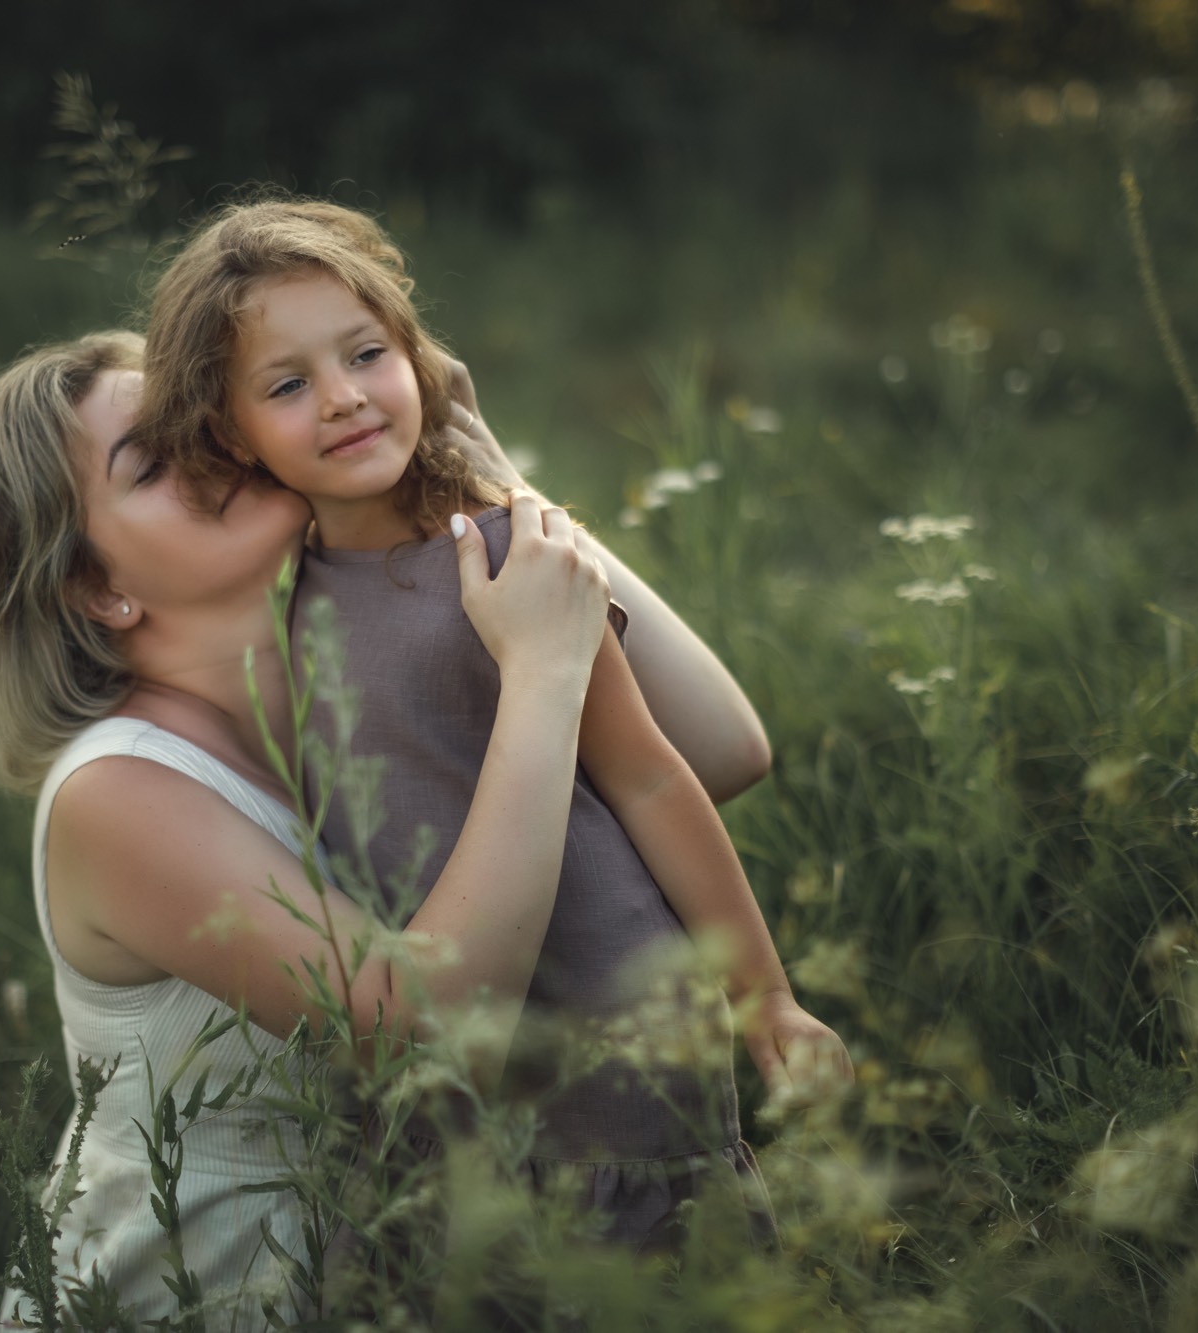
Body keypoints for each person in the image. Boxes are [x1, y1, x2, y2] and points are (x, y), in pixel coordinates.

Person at [0, 331, 780, 1327]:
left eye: (199, 423)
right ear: (97, 589)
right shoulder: (117, 792)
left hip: (405, 1272)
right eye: (155, 464)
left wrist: (493, 485)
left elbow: (717, 752)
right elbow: (415, 1028)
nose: (213, 453)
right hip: (213, 1297)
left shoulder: (340, 668)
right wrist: (543, 680)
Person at [132, 199, 854, 1261]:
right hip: (447, 1090)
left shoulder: (505, 551)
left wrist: (769, 1000)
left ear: (419, 361)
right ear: (231, 433)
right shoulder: (276, 594)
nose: (341, 398)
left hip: (618, 1053)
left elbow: (650, 777)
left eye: (367, 354)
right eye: (287, 385)